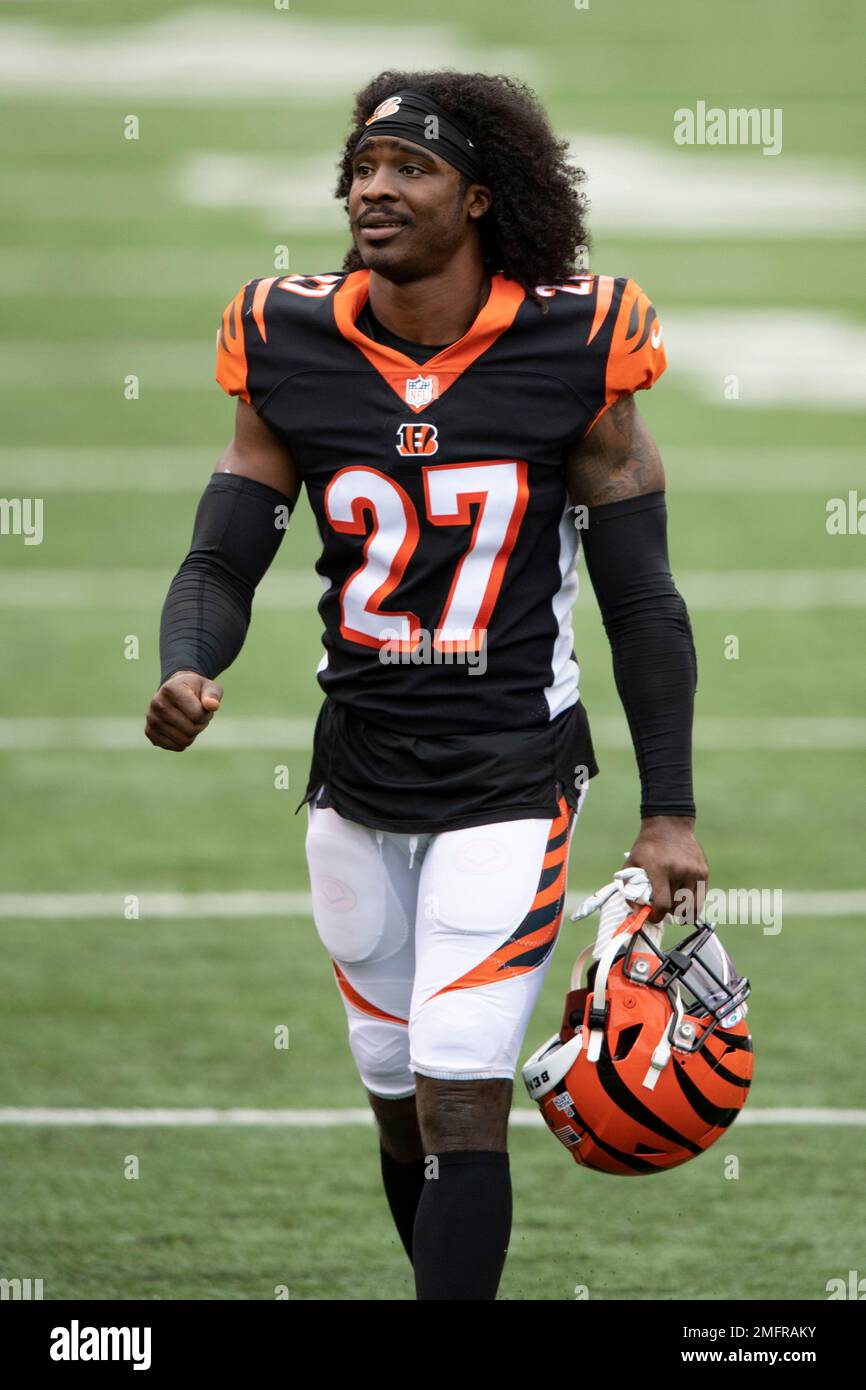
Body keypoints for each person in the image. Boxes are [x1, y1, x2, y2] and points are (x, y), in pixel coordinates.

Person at [145, 70, 706, 1301]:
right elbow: (224, 547)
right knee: (399, 1104)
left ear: (480, 198)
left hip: (511, 773)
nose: (373, 189)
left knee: (462, 1091)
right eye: (361, 167)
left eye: (409, 169)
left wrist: (667, 805)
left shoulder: (576, 340)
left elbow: (641, 600)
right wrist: (190, 661)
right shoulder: (288, 334)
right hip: (353, 779)